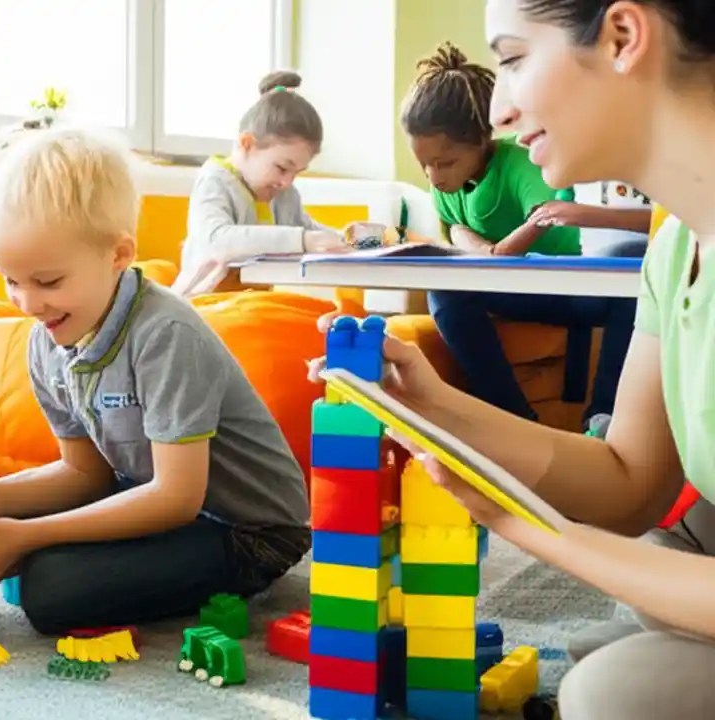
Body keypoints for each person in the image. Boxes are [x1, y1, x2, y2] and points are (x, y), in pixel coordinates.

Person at [310, 1, 715, 716]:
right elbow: (629, 484)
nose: (497, 109)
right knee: (651, 581)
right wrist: (437, 405)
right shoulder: (676, 246)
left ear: (624, 36)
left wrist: (524, 528)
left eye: (515, 57)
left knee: (608, 692)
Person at [0, 123, 312, 634]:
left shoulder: (165, 334)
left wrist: (32, 537)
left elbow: (176, 498)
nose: (27, 304)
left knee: (52, 589)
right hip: (153, 498)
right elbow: (84, 475)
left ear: (118, 255)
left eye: (48, 281)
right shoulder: (46, 340)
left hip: (246, 529)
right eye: (11, 280)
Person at [400, 40, 636, 429]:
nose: (435, 177)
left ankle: (605, 416)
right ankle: (511, 417)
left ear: (481, 140)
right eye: (424, 166)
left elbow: (541, 216)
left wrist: (493, 253)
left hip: (566, 285)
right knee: (442, 290)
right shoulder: (444, 184)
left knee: (631, 270)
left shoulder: (518, 160)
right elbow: (456, 227)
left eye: (445, 163)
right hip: (514, 285)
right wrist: (477, 246)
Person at [171, 70, 353, 298]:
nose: (287, 182)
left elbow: (309, 231)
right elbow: (217, 242)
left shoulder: (284, 194)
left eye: (297, 173)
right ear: (247, 144)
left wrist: (351, 241)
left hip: (249, 304)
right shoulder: (216, 181)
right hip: (203, 305)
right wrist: (303, 240)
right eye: (282, 168)